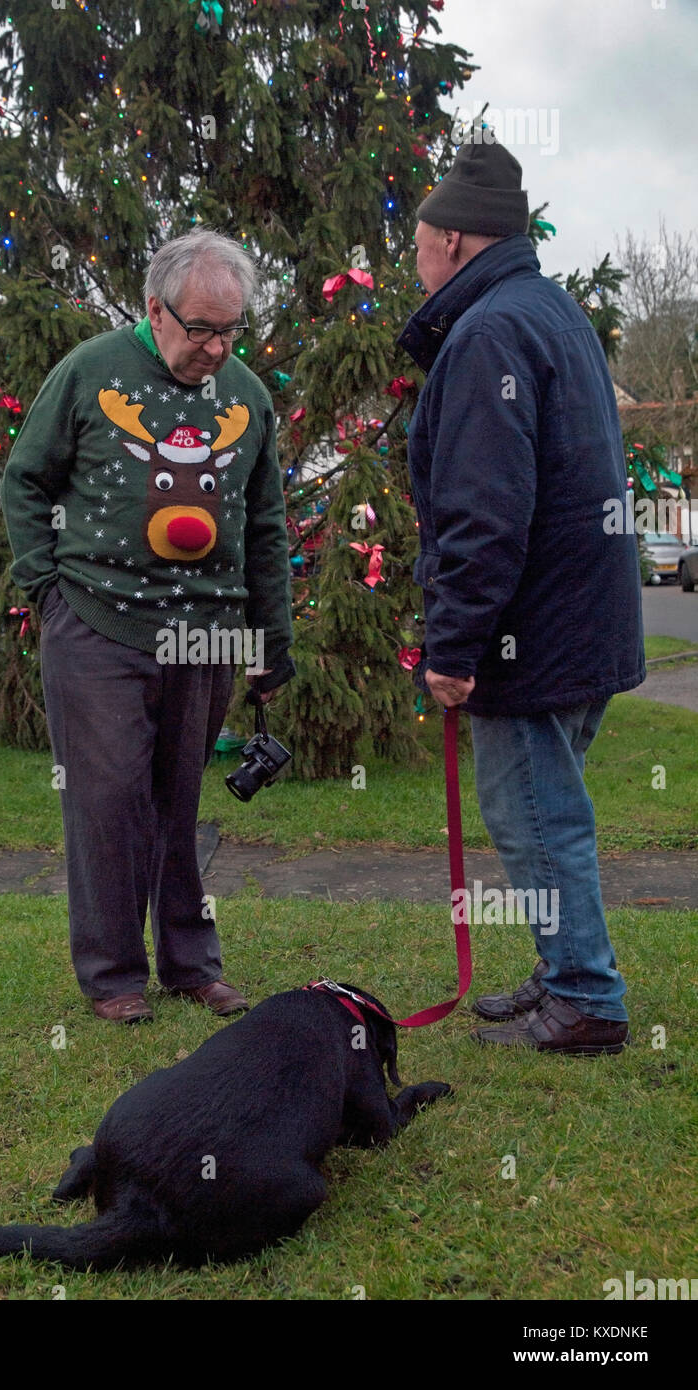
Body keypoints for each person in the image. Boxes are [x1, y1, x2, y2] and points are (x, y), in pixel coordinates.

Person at [2, 229, 295, 1023]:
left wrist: (271, 639)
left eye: (230, 329)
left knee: (178, 802)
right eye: (199, 327)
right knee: (106, 802)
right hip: (96, 623)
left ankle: (191, 964)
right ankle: (112, 976)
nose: (214, 347)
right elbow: (25, 480)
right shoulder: (88, 372)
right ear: (152, 309)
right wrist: (47, 589)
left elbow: (264, 525)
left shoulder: (248, 398)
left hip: (205, 635)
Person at [397, 133, 644, 1055]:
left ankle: (585, 998)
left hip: (531, 635)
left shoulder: (488, 330)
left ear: (453, 242)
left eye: (417, 243)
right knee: (550, 807)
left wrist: (453, 648)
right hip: (583, 622)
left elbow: (485, 511)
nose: (413, 260)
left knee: (537, 819)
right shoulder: (548, 309)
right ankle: (560, 966)